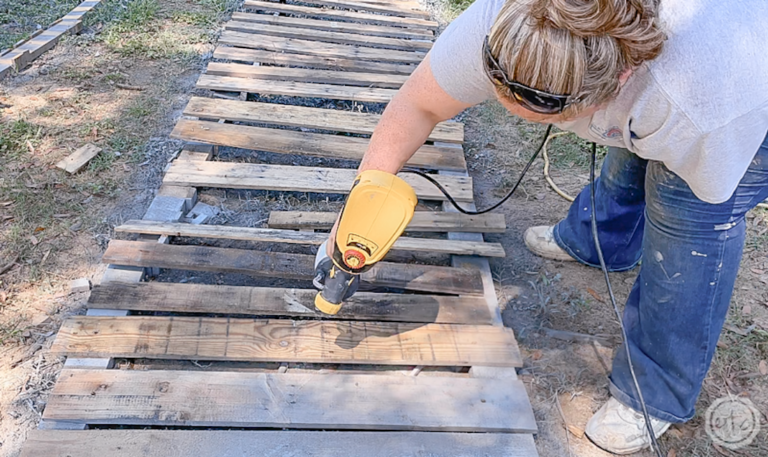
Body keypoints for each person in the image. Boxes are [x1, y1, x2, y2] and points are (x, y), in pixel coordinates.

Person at [340, 0, 768, 453]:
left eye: (548, 114)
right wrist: (357, 213)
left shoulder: (698, 108)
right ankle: (599, 241)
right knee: (632, 139)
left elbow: (703, 213)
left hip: (740, 94)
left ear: (620, 78)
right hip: (653, 94)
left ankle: (658, 392)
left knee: (682, 213)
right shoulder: (504, 21)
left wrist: (639, 135)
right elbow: (416, 105)